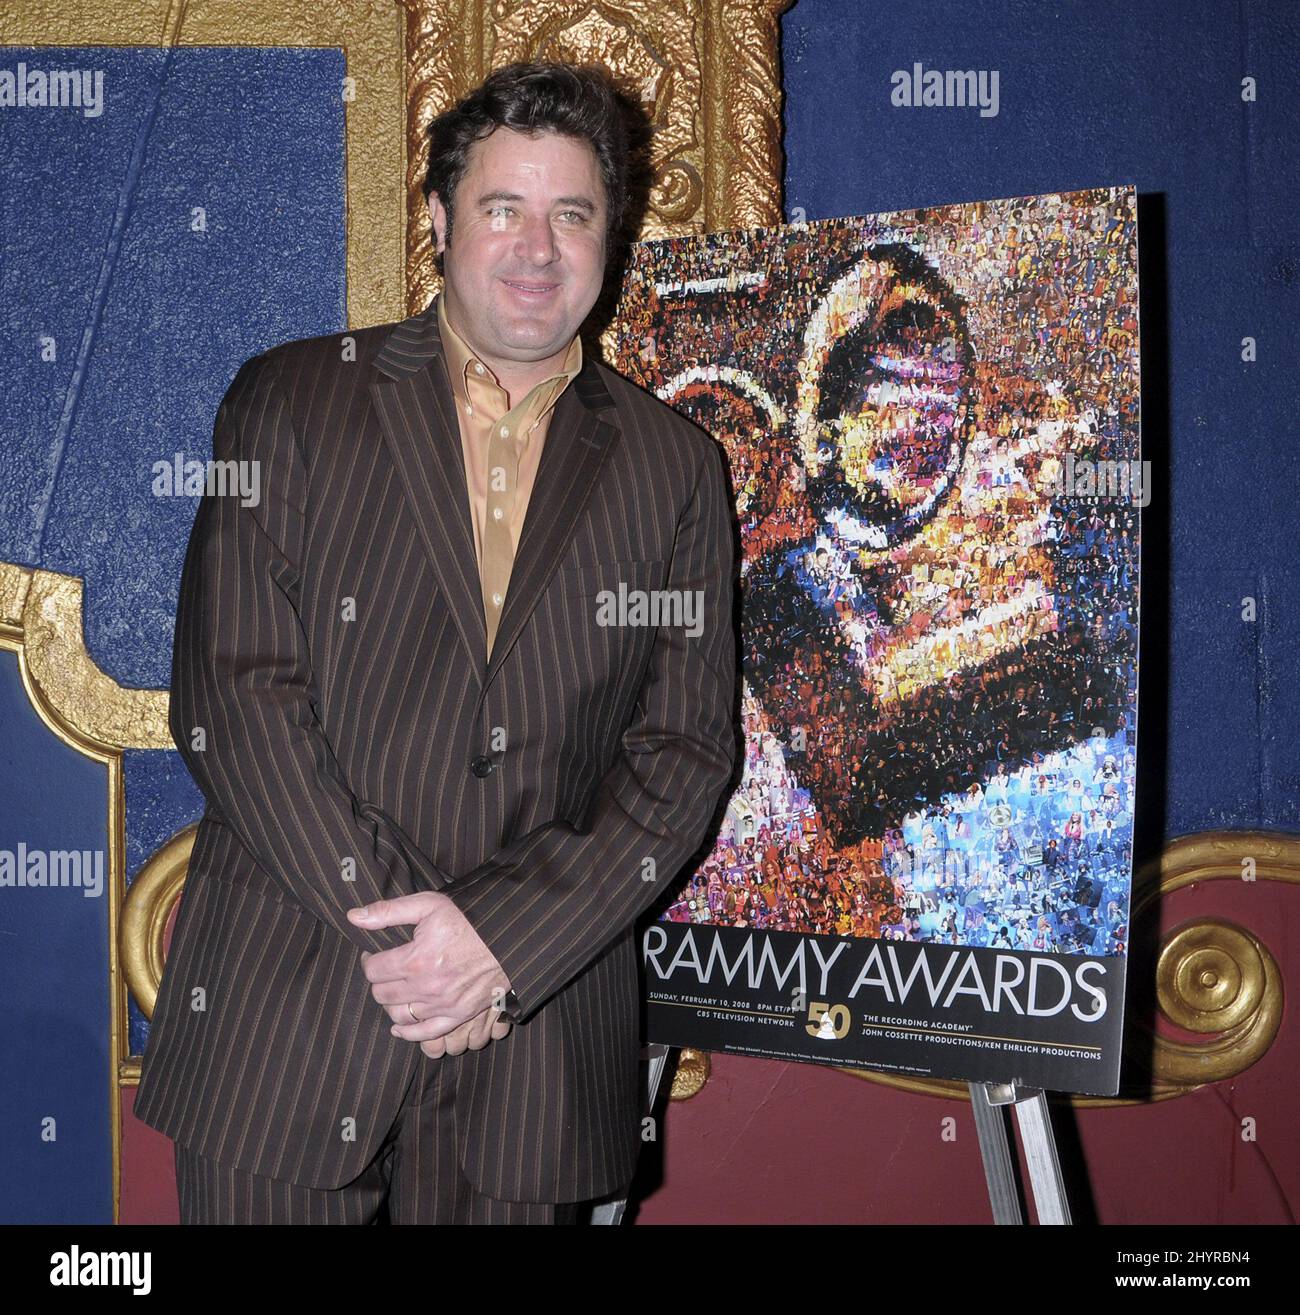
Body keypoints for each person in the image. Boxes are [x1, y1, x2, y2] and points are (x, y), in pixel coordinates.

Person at [134, 61, 739, 1225]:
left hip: (533, 1038)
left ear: (611, 238)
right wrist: (421, 943)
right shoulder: (291, 400)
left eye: (573, 214)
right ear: (438, 220)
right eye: (502, 207)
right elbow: (232, 696)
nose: (537, 248)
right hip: (287, 1014)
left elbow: (682, 752)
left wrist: (501, 943)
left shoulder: (674, 467)